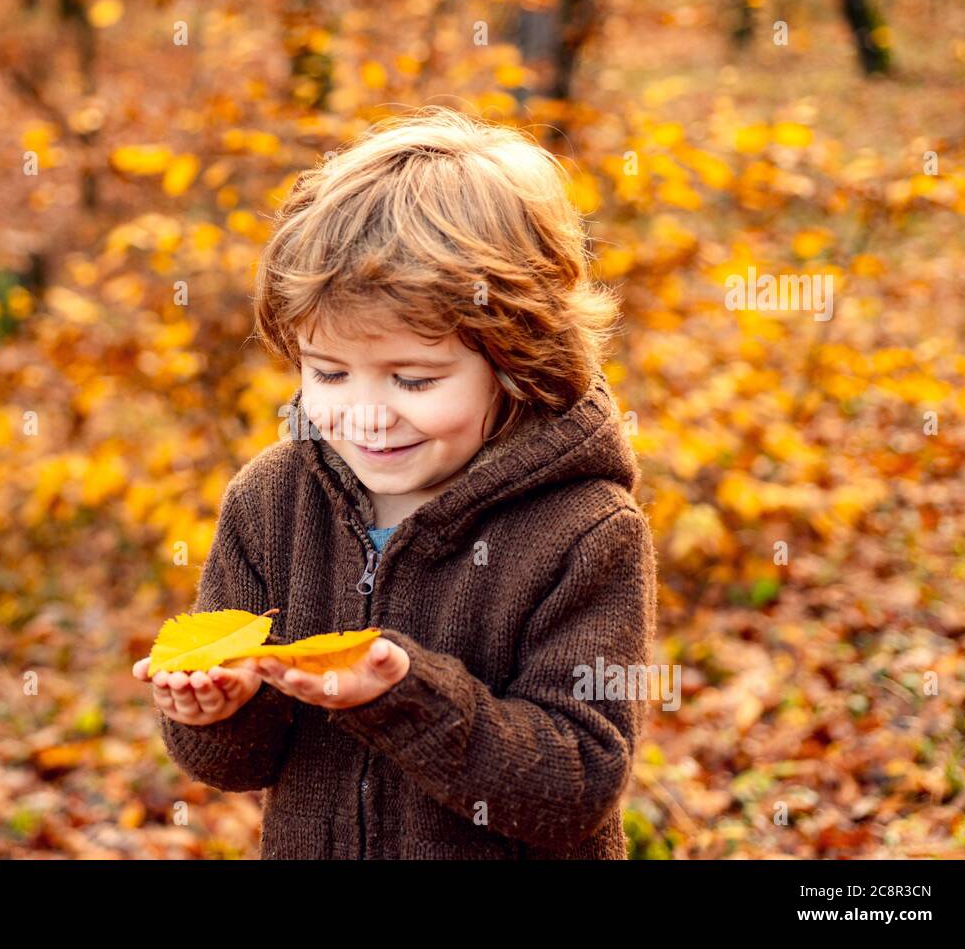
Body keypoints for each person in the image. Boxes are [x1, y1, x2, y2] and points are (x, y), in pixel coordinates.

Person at [133, 105, 657, 859]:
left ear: (516, 360)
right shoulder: (273, 502)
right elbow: (235, 765)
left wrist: (406, 697)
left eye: (413, 379)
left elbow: (576, 782)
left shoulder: (584, 531)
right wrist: (217, 710)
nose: (365, 416)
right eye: (329, 372)